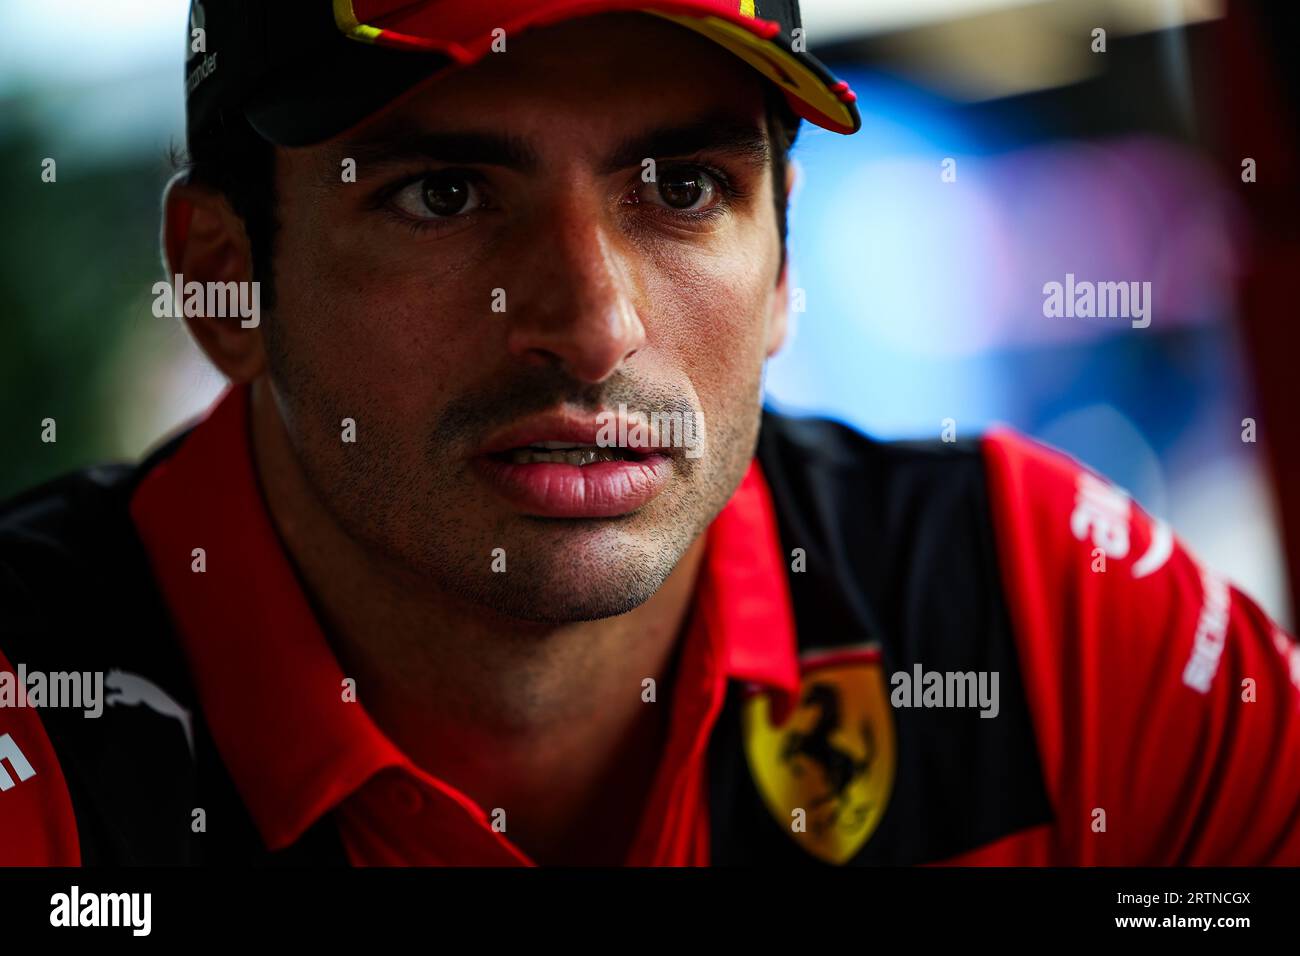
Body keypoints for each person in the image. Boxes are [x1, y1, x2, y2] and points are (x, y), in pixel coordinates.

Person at [1, 0, 1297, 867]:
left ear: (787, 258)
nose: (592, 323)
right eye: (443, 196)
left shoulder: (1045, 607)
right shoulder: (38, 722)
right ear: (225, 281)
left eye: (684, 190)